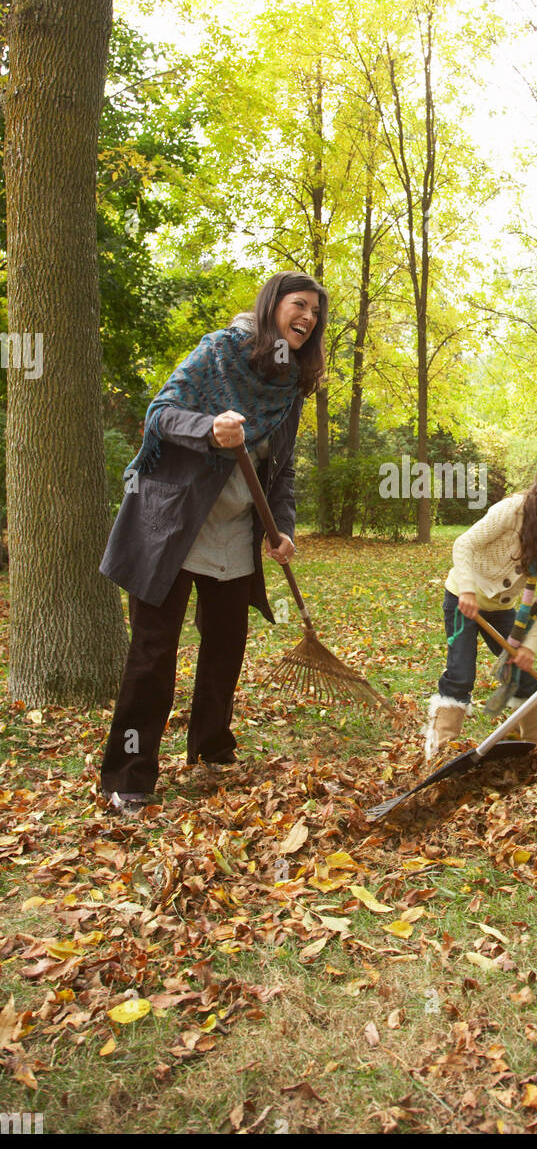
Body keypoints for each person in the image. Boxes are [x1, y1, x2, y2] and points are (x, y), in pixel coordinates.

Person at [98, 271, 327, 816]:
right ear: (273, 306)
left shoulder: (292, 384)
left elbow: (284, 470)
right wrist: (209, 428)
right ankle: (129, 772)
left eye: (316, 313)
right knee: (153, 655)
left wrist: (284, 527)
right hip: (174, 529)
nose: (308, 318)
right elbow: (160, 413)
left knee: (226, 647)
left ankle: (210, 747)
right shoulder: (219, 351)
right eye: (300, 305)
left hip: (234, 534)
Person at [424, 452, 537, 760]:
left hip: (501, 610)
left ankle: (534, 750)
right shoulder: (515, 509)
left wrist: (529, 646)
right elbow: (464, 544)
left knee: (525, 675)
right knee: (461, 674)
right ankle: (439, 750)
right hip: (464, 598)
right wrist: (466, 590)